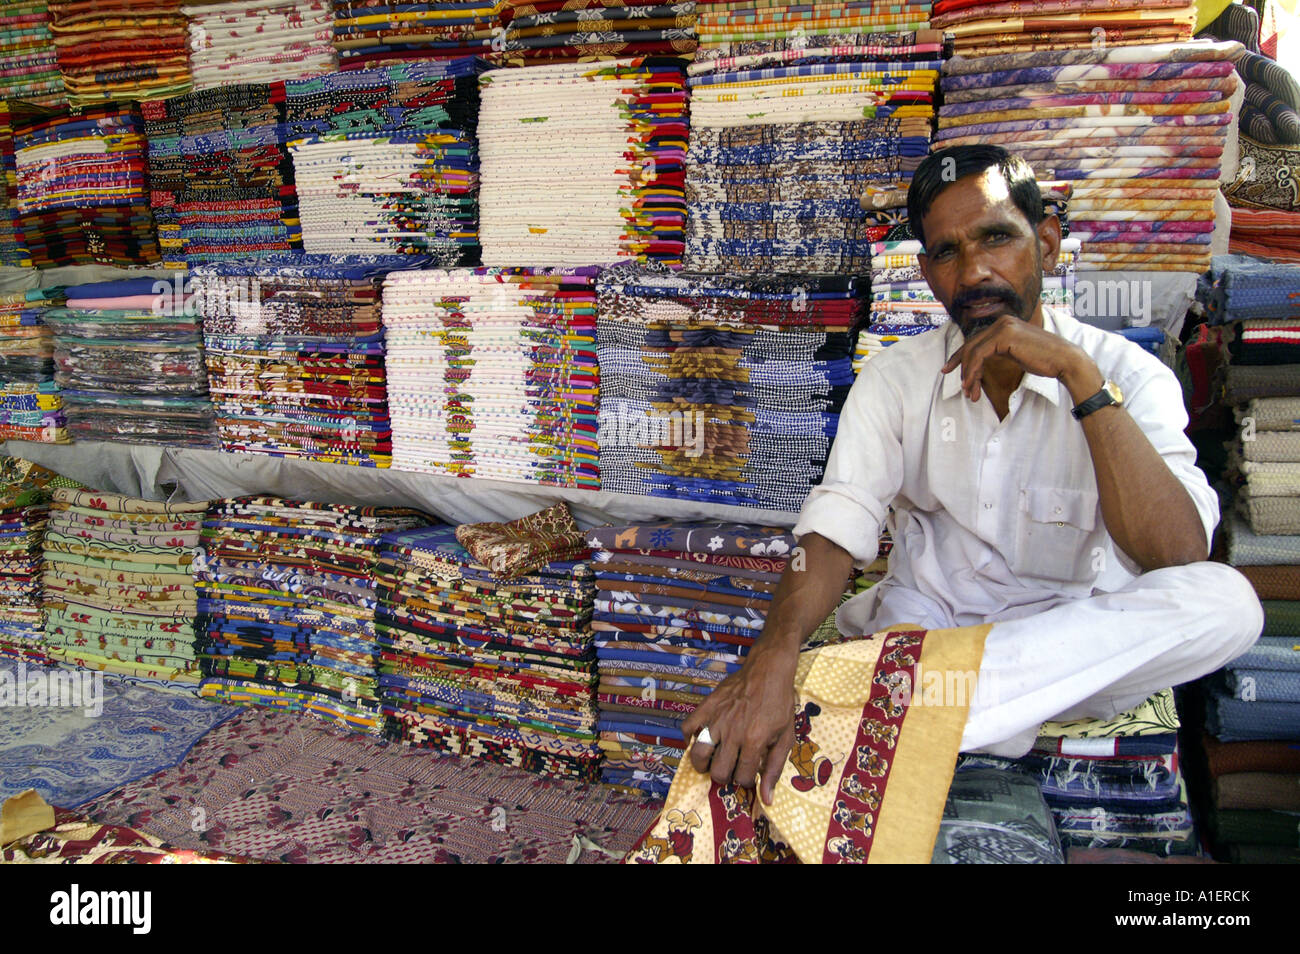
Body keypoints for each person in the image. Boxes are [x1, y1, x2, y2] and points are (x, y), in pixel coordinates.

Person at [682, 144, 1264, 806]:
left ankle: (898, 705)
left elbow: (1177, 554)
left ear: (1046, 241)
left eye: (997, 237)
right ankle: (973, 711)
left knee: (1228, 604)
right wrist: (774, 657)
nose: (977, 268)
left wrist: (1081, 383)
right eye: (949, 252)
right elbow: (838, 525)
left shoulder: (1128, 375)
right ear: (928, 273)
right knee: (905, 640)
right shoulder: (897, 380)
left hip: (1073, 641)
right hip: (935, 630)